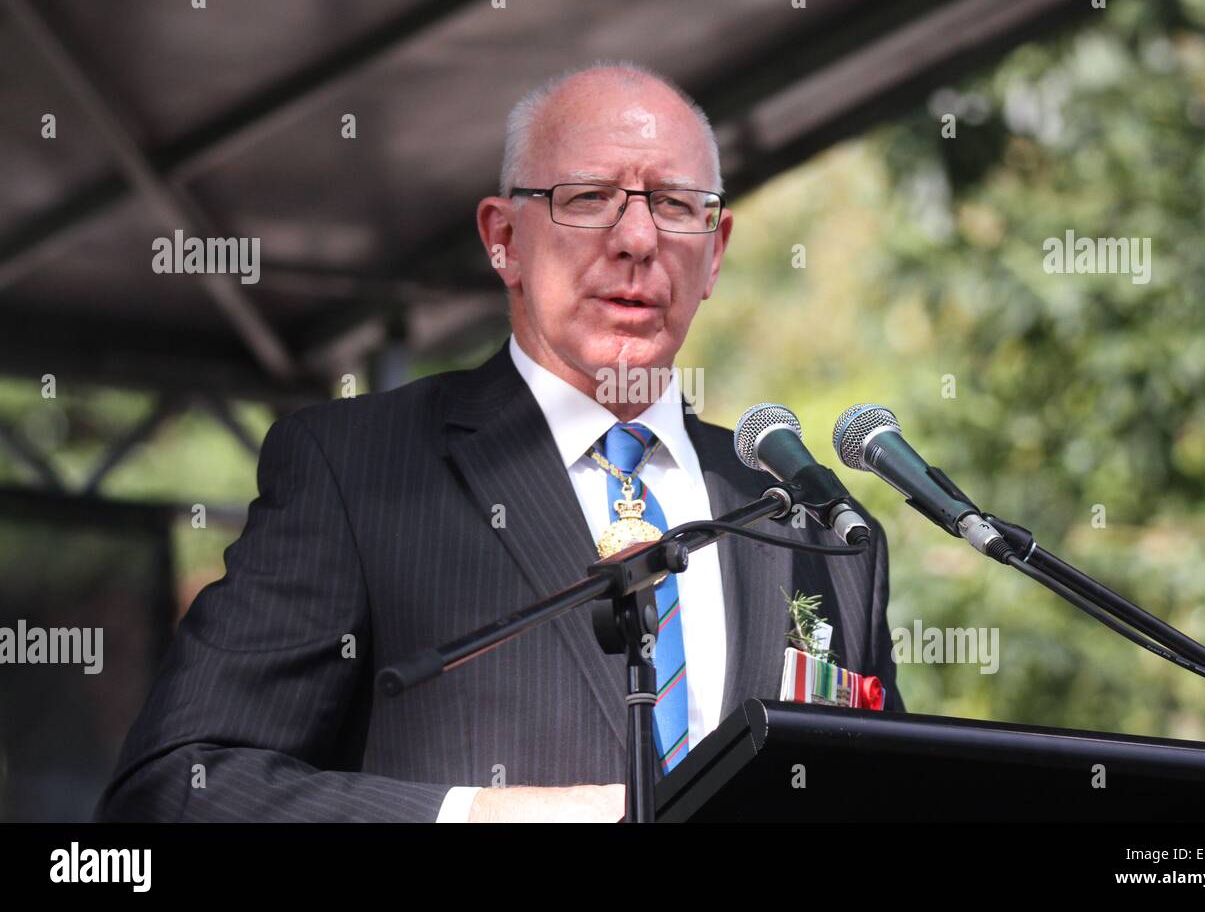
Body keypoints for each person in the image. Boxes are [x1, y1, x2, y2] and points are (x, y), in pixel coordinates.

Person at [96, 61, 903, 823]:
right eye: (587, 198)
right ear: (504, 239)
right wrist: (480, 815)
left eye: (674, 204)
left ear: (716, 249)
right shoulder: (357, 471)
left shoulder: (811, 523)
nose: (636, 239)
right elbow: (177, 788)